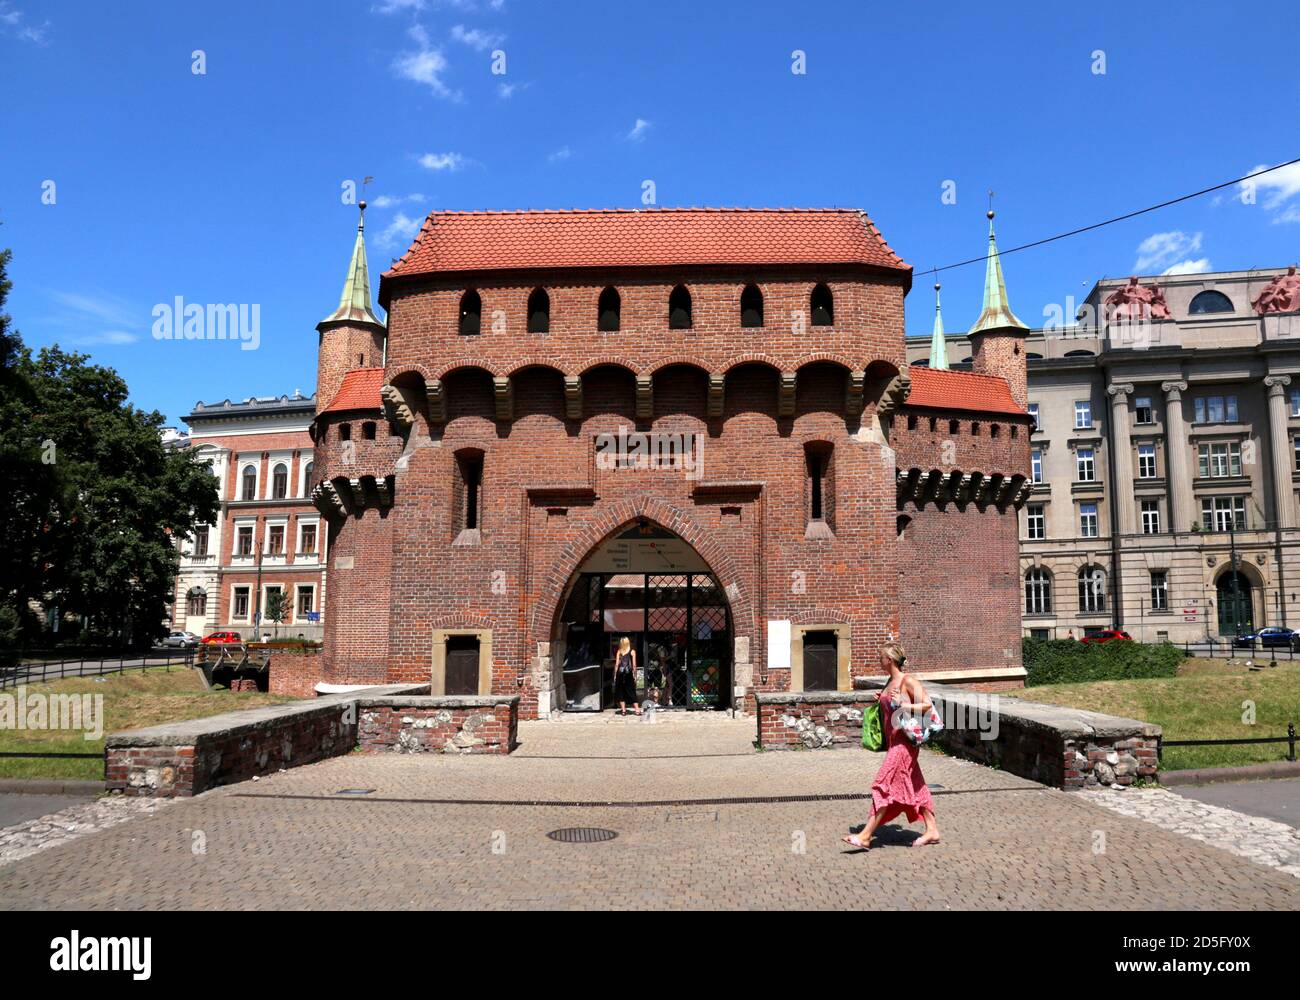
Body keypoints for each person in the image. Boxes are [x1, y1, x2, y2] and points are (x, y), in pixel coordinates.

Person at [842, 644, 940, 851]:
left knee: (882, 785)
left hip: (905, 744)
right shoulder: (890, 681)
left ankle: (866, 835)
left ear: (891, 659)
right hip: (894, 741)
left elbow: (927, 705)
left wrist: (902, 704)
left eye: (882, 657)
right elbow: (891, 706)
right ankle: (932, 830)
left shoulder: (908, 681)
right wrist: (883, 700)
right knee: (914, 784)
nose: (879, 660)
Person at [613, 636, 641, 716]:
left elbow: (617, 665)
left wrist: (615, 675)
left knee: (621, 691)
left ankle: (623, 710)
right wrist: (635, 675)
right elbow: (634, 665)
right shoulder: (632, 651)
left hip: (620, 674)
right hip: (628, 674)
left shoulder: (619, 651)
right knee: (632, 691)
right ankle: (637, 710)